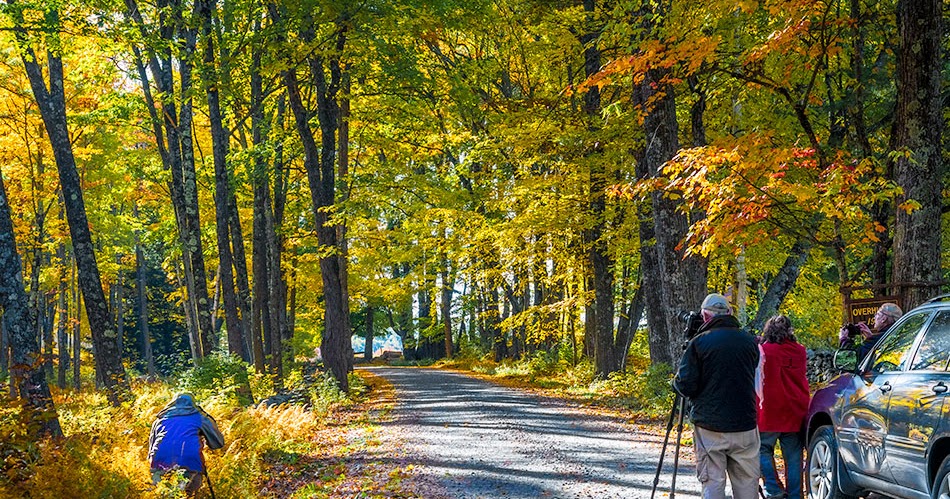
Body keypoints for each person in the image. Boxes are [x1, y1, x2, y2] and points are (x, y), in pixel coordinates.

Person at [674, 293, 761, 499]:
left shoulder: (699, 343)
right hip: (745, 423)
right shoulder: (750, 342)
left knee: (713, 481)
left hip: (710, 425)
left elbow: (685, 386)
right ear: (730, 313)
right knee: (748, 482)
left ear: (705, 316)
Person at [756, 315, 810, 499]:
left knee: (761, 450)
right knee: (794, 458)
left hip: (770, 410)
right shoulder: (800, 351)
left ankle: (773, 488)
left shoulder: (763, 351)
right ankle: (795, 496)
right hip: (794, 410)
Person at [148, 393, 225, 496]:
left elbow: (151, 448)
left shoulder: (160, 420)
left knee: (165, 494)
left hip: (159, 461)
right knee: (189, 494)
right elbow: (218, 442)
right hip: (189, 461)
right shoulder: (199, 417)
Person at [839, 302, 903, 362]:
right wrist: (870, 337)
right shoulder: (898, 336)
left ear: (884, 319)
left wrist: (844, 340)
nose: (874, 317)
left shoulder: (880, 338)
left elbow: (852, 357)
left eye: (877, 314)